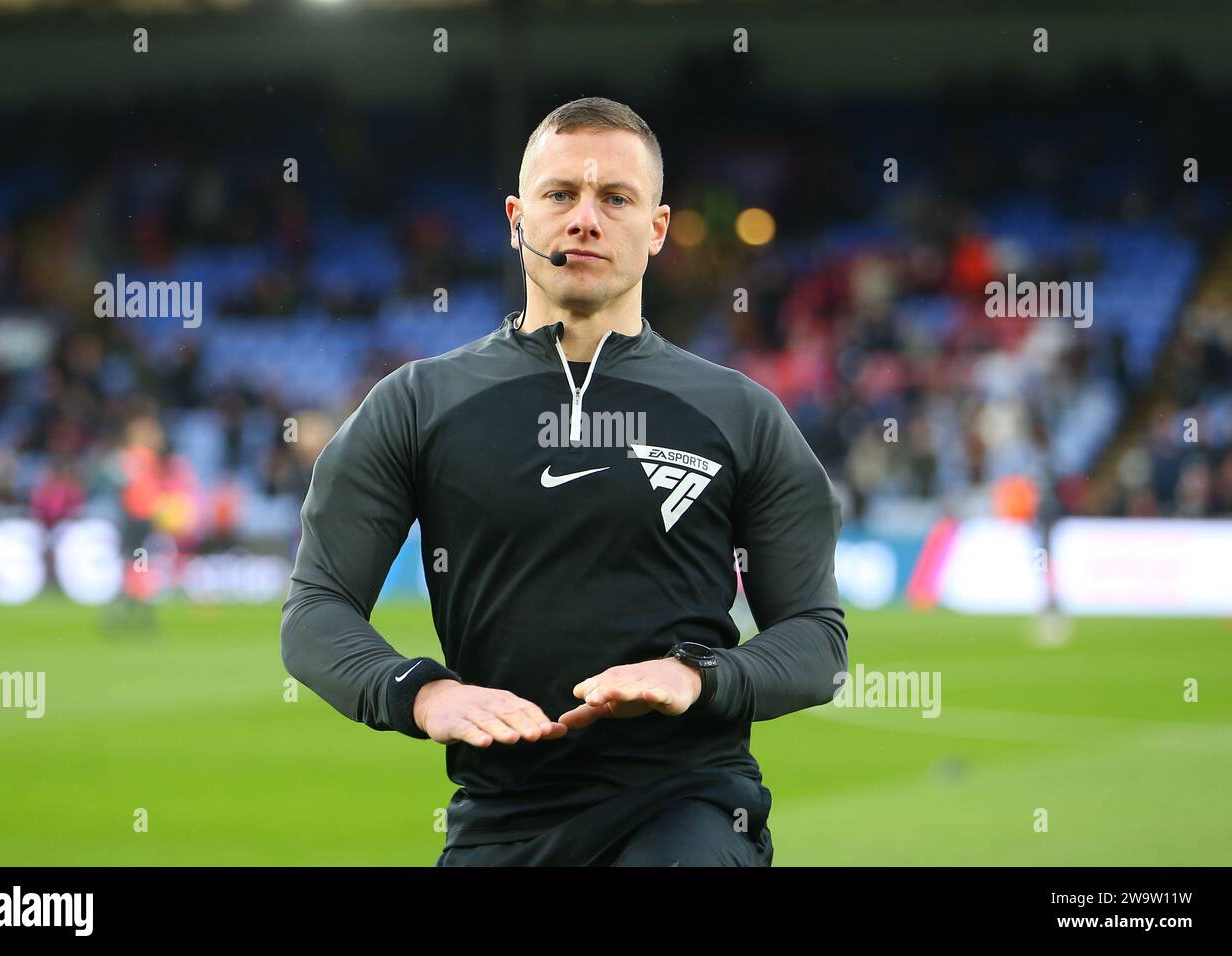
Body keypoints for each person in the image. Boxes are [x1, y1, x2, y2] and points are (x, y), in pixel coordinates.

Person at [281, 96, 848, 866]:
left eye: (616, 199)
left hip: (687, 807)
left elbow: (817, 639)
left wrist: (700, 678)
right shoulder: (416, 405)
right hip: (497, 817)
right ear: (518, 218)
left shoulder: (742, 415)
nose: (586, 219)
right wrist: (422, 692)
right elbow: (316, 611)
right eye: (560, 196)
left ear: (656, 228)